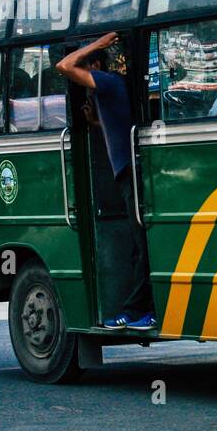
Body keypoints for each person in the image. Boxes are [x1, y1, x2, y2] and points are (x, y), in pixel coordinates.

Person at [56, 32, 156, 332]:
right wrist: (96, 122)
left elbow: (64, 66)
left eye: (89, 66)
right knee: (138, 245)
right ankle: (139, 308)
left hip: (131, 171)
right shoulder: (109, 92)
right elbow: (120, 124)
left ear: (97, 65)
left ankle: (140, 310)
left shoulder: (109, 82)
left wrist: (97, 44)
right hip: (126, 171)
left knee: (141, 244)